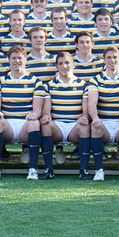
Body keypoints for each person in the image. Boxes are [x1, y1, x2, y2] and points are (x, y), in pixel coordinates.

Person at [0, 46, 47, 180]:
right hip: (8, 125)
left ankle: (33, 169)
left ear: (25, 59)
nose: (17, 61)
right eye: (14, 58)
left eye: (20, 58)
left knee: (34, 123)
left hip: (25, 125)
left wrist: (34, 115)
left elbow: (37, 110)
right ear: (9, 60)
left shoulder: (36, 82)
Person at [85, 47, 119, 181]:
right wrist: (95, 118)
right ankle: (99, 170)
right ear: (103, 60)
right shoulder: (96, 79)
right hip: (105, 125)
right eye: (108, 58)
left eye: (115, 57)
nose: (112, 60)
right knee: (95, 126)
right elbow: (91, 103)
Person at [38, 52, 90, 180]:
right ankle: (49, 169)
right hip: (58, 127)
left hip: (75, 126)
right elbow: (46, 110)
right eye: (60, 63)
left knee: (85, 126)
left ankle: (84, 170)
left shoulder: (84, 85)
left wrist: (84, 117)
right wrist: (45, 116)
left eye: (67, 63)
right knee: (45, 125)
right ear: (56, 66)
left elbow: (86, 111)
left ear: (73, 64)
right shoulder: (49, 85)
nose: (64, 66)